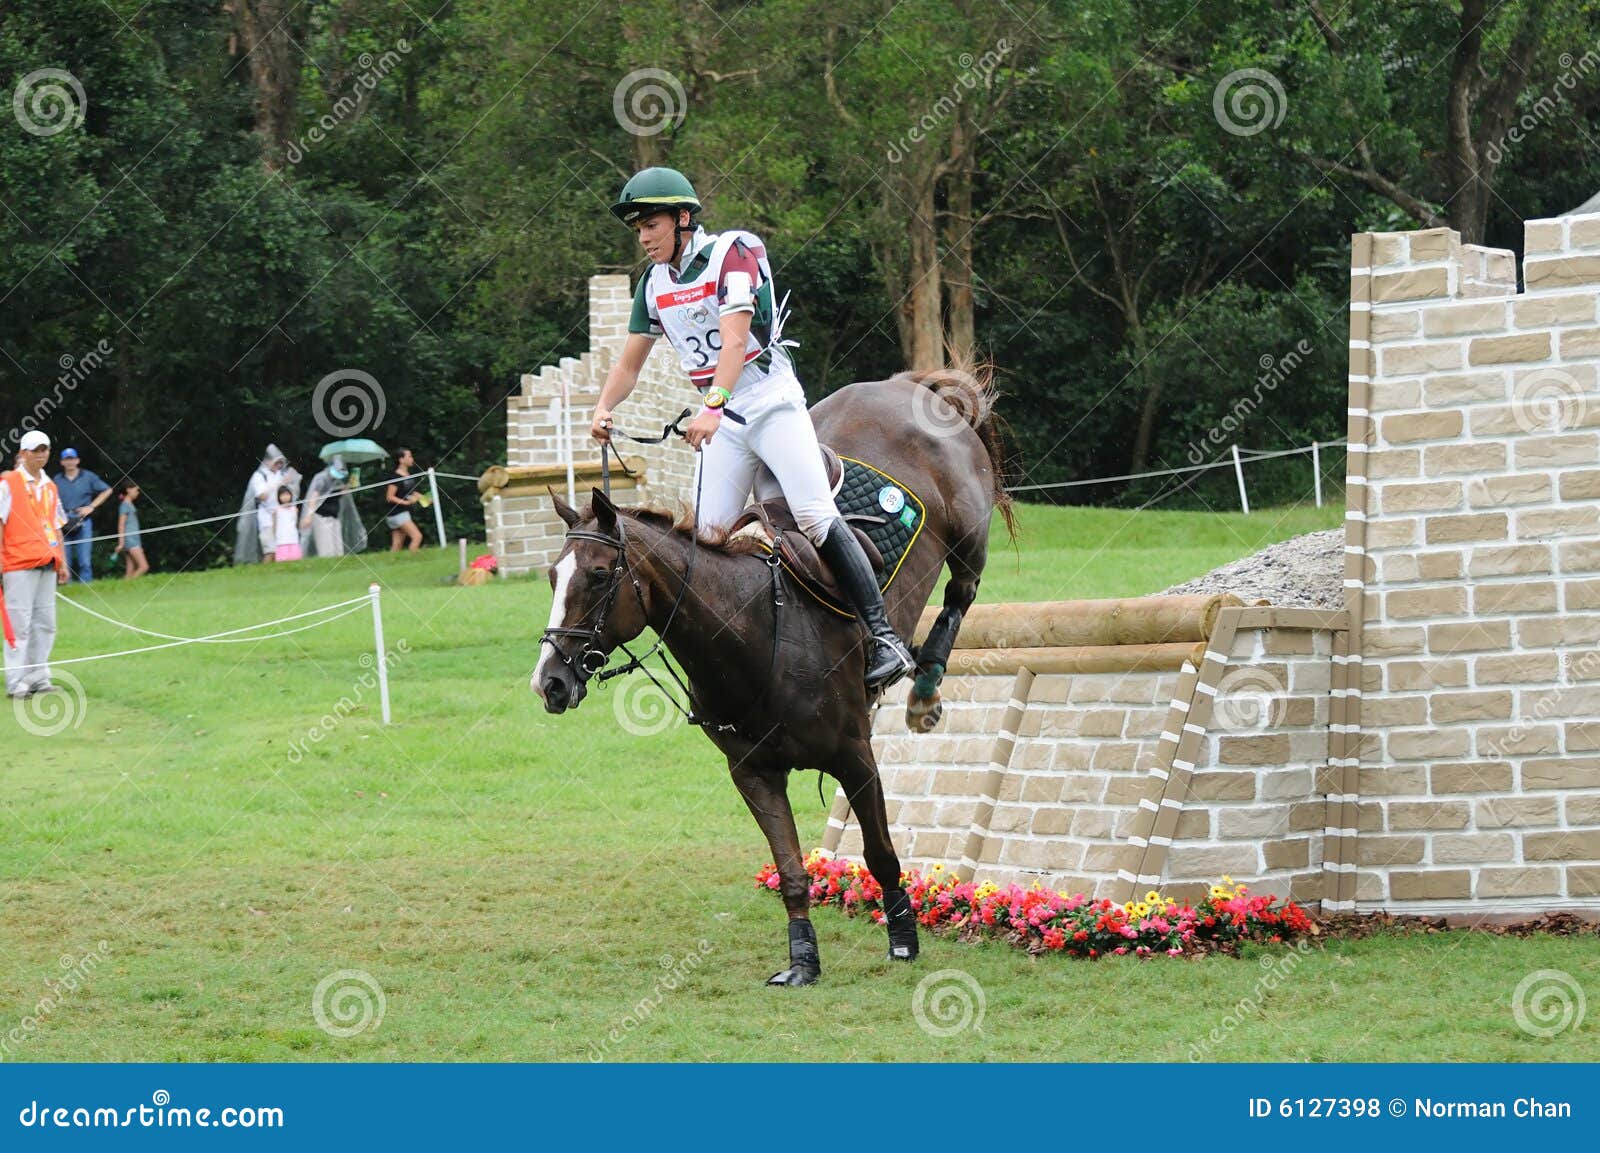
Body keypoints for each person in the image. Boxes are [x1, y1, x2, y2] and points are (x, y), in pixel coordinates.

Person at [592, 167, 914, 688]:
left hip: (769, 403)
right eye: (637, 229)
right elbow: (629, 365)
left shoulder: (734, 253)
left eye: (651, 224)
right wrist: (603, 407)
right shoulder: (653, 286)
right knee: (706, 540)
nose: (644, 237)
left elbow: (737, 342)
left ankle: (883, 638)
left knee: (812, 513)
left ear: (683, 218)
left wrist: (714, 405)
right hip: (722, 420)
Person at [0, 430, 69, 698]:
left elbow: (56, 525)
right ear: (23, 453)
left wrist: (61, 560)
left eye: (46, 449)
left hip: (46, 561)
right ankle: (16, 682)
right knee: (19, 625)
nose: (42, 454)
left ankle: (39, 678)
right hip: (17, 563)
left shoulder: (50, 486)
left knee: (45, 622)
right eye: (36, 449)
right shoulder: (9, 482)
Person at [233, 444, 300, 564]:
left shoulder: (281, 474)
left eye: (281, 463)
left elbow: (291, 494)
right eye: (276, 463)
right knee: (270, 551)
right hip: (267, 520)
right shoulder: (259, 476)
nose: (279, 466)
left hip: (283, 520)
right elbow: (262, 496)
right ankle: (264, 573)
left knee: (281, 550)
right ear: (268, 461)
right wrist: (280, 484)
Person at [54, 447, 112, 583]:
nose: (70, 462)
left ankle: (86, 588)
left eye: (72, 459)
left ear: (77, 460)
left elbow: (107, 490)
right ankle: (68, 588)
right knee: (65, 560)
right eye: (66, 459)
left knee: (84, 560)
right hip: (64, 522)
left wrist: (91, 506)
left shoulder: (88, 476)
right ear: (62, 462)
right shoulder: (56, 479)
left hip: (83, 521)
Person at [300, 455, 365, 558]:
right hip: (322, 518)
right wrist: (309, 516)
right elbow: (314, 497)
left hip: (334, 517)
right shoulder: (321, 478)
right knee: (327, 550)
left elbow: (338, 495)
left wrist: (350, 485)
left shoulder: (337, 480)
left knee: (338, 549)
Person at [385, 448, 424, 552]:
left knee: (397, 545)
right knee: (417, 537)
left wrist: (425, 499)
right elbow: (389, 497)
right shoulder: (395, 477)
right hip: (397, 513)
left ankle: (390, 565)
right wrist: (406, 502)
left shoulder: (408, 475)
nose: (412, 459)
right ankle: (414, 560)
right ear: (401, 460)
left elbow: (411, 492)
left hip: (402, 513)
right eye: (409, 456)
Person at [113, 481, 148, 579]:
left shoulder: (129, 505)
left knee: (130, 570)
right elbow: (121, 525)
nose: (138, 493)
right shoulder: (125, 505)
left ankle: (123, 588)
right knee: (144, 566)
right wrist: (121, 543)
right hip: (130, 541)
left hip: (133, 540)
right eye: (136, 490)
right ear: (128, 490)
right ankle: (131, 583)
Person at [272, 486, 302, 562]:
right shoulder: (276, 510)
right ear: (278, 497)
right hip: (281, 538)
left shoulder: (295, 509)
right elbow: (274, 524)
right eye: (282, 495)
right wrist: (275, 536)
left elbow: (295, 522)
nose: (285, 497)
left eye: (287, 494)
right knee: (283, 558)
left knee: (295, 558)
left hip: (293, 537)